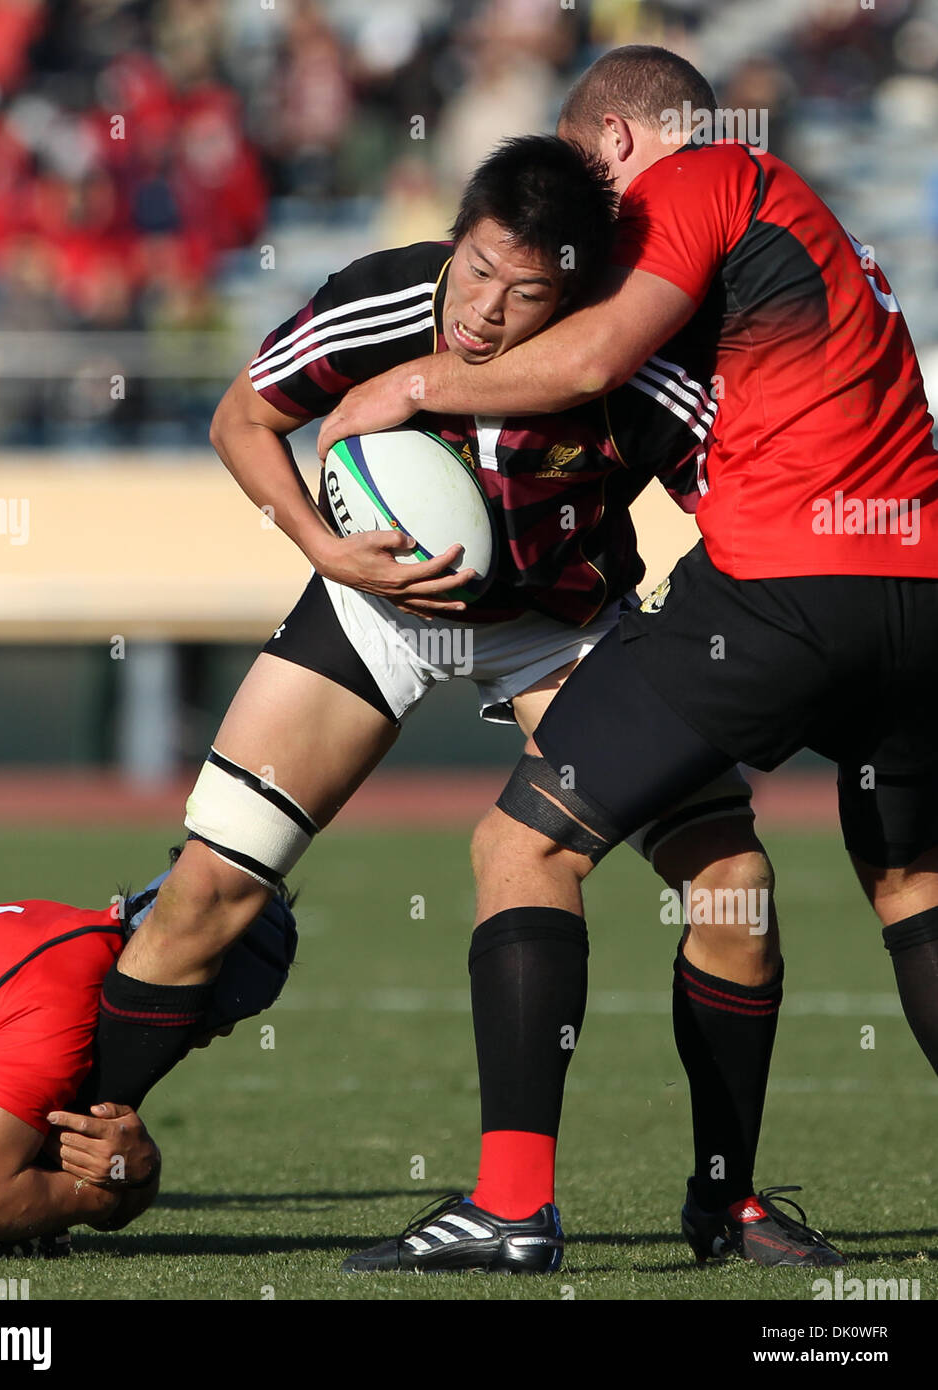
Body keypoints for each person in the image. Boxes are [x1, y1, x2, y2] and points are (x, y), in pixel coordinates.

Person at [82, 133, 836, 1271]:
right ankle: (69, 1140)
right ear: (456, 238)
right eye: (477, 269)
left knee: (733, 887)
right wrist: (324, 548)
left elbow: (747, 505)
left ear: (577, 292)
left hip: (560, 628)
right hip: (373, 607)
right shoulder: (380, 297)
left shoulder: (633, 361)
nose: (485, 310)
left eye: (526, 292)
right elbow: (244, 419)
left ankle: (724, 1202)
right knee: (208, 888)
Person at [321, 45, 937, 1274]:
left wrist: (411, 386)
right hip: (919, 593)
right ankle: (725, 1204)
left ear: (616, 144)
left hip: (784, 590)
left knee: (521, 843)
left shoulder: (702, 179)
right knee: (913, 894)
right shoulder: (802, 219)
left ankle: (509, 1208)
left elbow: (596, 360)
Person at [0, 861, 296, 1262]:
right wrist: (106, 1193)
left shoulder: (80, 948)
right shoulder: (64, 997)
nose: (224, 1033)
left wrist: (130, 1174)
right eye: (228, 1016)